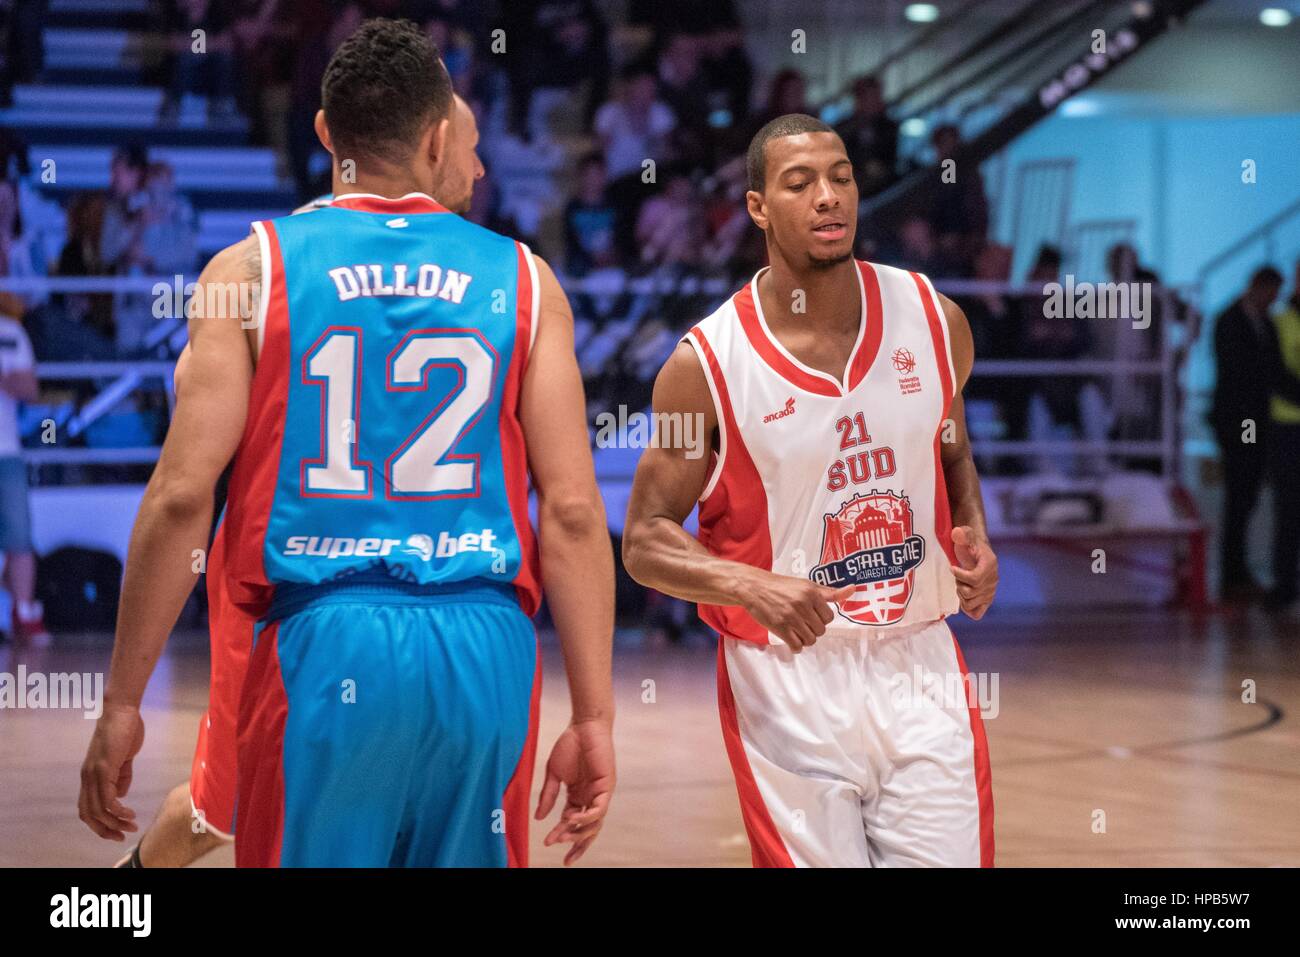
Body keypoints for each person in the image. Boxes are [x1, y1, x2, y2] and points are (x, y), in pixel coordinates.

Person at [78, 19, 616, 868]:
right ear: (439, 138)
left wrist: (120, 701)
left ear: (326, 133)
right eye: (468, 150)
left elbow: (182, 497)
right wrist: (594, 716)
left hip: (322, 643)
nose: (477, 171)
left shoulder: (249, 271)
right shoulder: (526, 279)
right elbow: (577, 514)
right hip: (486, 645)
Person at [622, 114, 997, 867]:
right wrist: (748, 584)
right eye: (800, 184)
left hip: (920, 660)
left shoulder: (933, 317)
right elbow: (645, 538)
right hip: (787, 682)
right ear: (759, 207)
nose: (829, 197)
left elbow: (950, 439)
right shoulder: (708, 365)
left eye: (842, 177)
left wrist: (974, 531)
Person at [1209, 266, 1297, 602]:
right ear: (1258, 287)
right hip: (1240, 423)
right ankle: (1233, 574)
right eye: (1271, 292)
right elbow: (1245, 372)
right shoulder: (1230, 321)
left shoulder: (1264, 323)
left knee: (1247, 497)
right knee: (1240, 495)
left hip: (1258, 422)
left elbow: (1272, 372)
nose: (1273, 300)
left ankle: (1239, 571)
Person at [0, 299, 46, 644]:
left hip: (7, 452)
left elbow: (30, 389)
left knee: (19, 536)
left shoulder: (11, 332)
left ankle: (25, 613)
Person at [1267, 260, 1300, 612]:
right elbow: (1276, 374)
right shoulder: (1280, 321)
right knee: (1289, 510)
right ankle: (1285, 587)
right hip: (1288, 426)